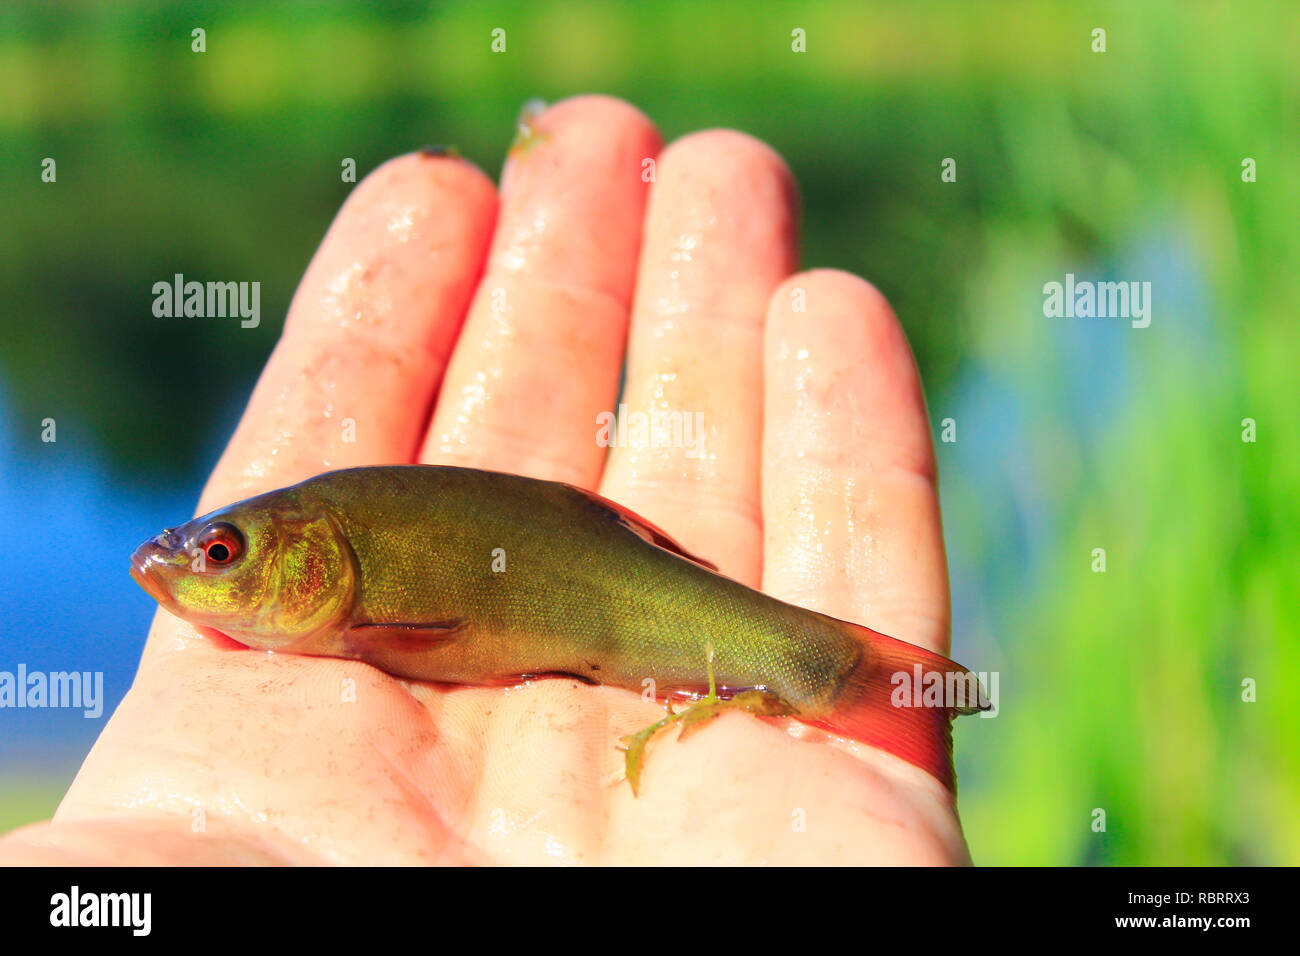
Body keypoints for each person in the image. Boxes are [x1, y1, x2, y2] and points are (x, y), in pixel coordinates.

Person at [0, 96, 967, 865]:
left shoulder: (354, 580)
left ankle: (840, 674)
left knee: (790, 655)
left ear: (311, 562)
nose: (187, 570)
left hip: (596, 571)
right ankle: (851, 680)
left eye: (221, 554)